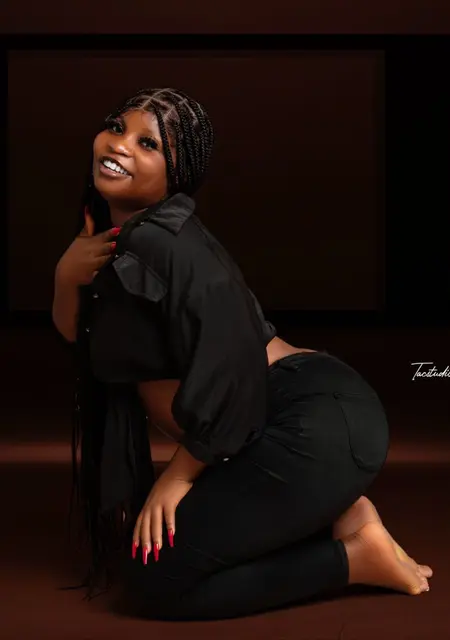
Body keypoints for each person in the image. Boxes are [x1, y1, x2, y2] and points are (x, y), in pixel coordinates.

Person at [52, 87, 432, 621]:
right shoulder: (122, 236)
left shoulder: (161, 242)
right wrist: (66, 275)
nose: (120, 145)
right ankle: (339, 513)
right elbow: (82, 336)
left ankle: (352, 558)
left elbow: (233, 365)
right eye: (117, 127)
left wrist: (178, 476)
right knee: (158, 559)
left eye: (148, 144)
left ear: (177, 175)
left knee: (154, 582)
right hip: (283, 426)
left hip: (307, 422)